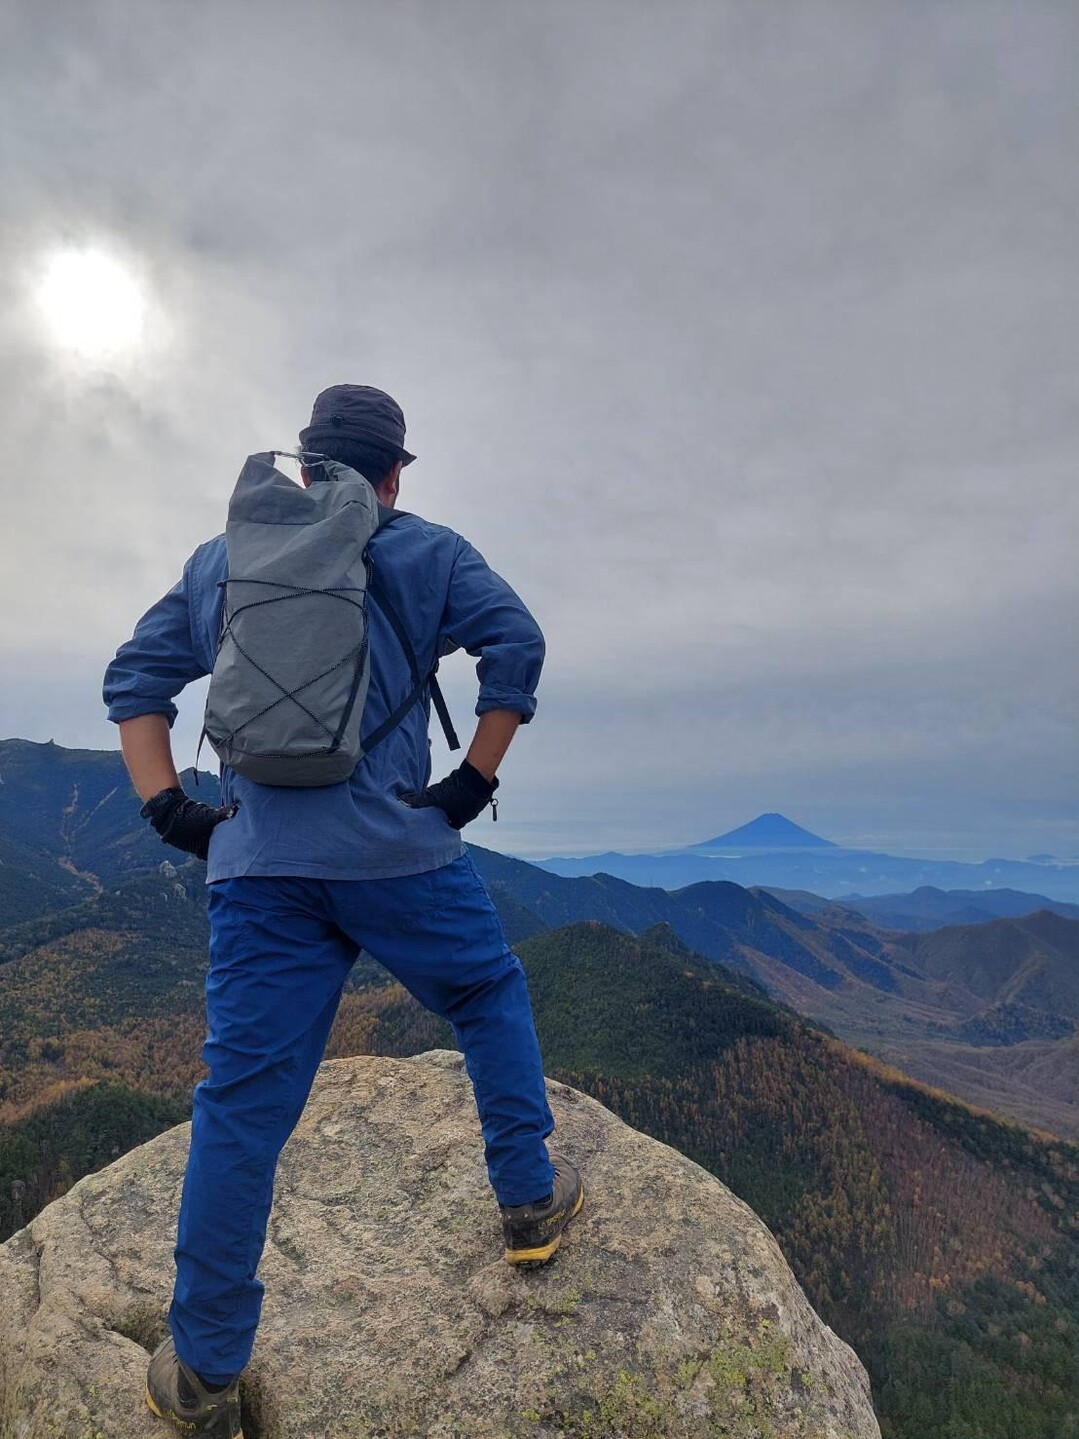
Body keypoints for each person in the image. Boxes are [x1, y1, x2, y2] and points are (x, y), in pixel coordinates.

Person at [102, 384, 583, 1439]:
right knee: (487, 988)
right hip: (395, 852)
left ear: (307, 463)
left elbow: (134, 681)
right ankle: (529, 1204)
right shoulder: (426, 551)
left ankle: (206, 1372)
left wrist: (172, 812)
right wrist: (468, 780)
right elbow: (519, 646)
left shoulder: (220, 559)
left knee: (240, 1106)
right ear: (391, 473)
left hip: (256, 865)